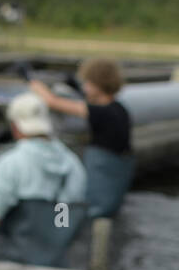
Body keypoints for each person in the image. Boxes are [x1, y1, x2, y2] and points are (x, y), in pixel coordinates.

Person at [0, 92, 88, 266]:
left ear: (15, 127)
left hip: (15, 267)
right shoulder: (73, 163)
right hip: (58, 266)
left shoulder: (10, 163)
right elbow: (62, 222)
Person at [28, 58, 133, 219]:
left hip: (102, 175)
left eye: (87, 84)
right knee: (105, 214)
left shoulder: (100, 113)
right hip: (116, 183)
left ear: (98, 85)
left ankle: (63, 225)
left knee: (88, 211)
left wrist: (33, 82)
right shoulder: (119, 109)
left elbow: (53, 102)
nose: (84, 88)